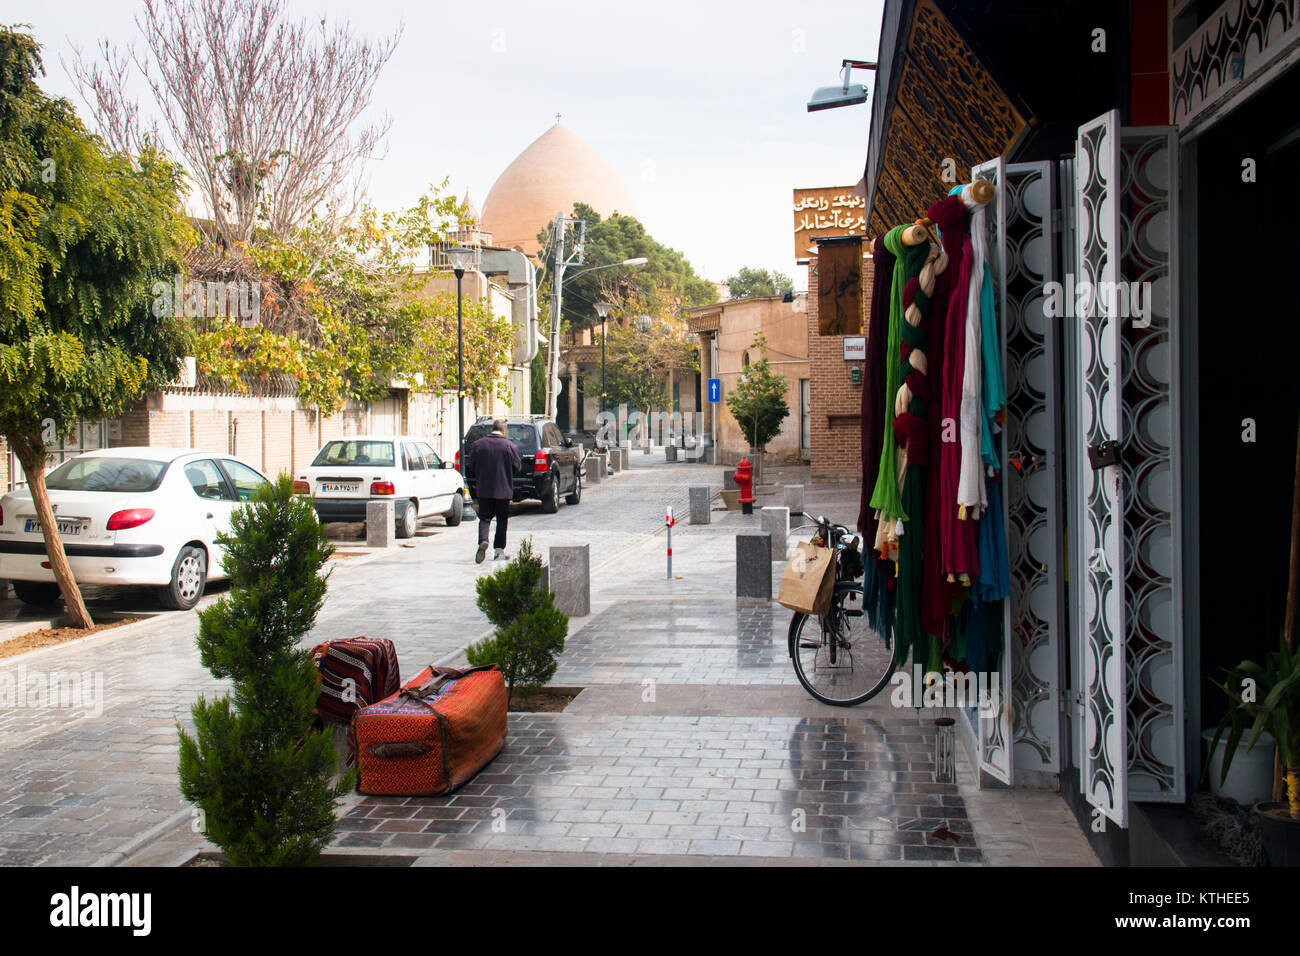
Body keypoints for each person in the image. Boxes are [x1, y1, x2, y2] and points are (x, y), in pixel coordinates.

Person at [466, 420, 520, 563]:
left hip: (484, 489)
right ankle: (499, 551)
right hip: (503, 490)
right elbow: (517, 467)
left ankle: (483, 540)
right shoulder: (510, 446)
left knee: (484, 518)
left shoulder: (478, 445)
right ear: (504, 431)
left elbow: (470, 465)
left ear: (491, 429)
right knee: (502, 521)